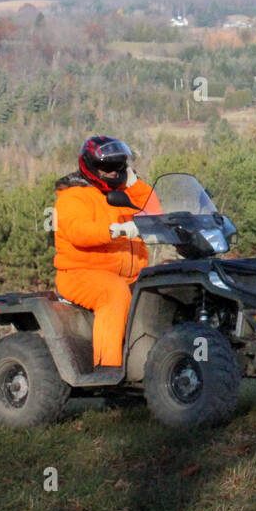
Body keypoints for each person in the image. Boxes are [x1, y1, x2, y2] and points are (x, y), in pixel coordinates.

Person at [53, 137, 153, 373]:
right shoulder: (73, 196)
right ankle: (107, 368)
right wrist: (113, 230)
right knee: (113, 294)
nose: (113, 172)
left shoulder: (124, 192)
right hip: (81, 274)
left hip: (131, 274)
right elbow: (78, 231)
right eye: (107, 167)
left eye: (119, 166)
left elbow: (155, 209)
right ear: (90, 166)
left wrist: (135, 184)